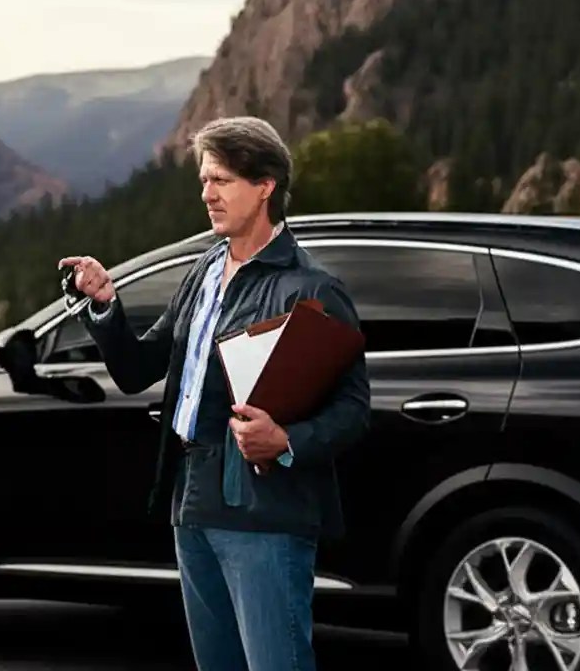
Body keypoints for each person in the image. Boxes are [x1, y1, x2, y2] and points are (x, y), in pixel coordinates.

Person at [57, 116, 370, 671]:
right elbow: (138, 369)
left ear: (265, 184)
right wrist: (105, 307)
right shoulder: (203, 272)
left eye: (221, 180)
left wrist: (286, 440)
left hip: (265, 514)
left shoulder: (312, 288)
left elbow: (353, 410)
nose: (207, 194)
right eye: (205, 180)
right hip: (191, 501)